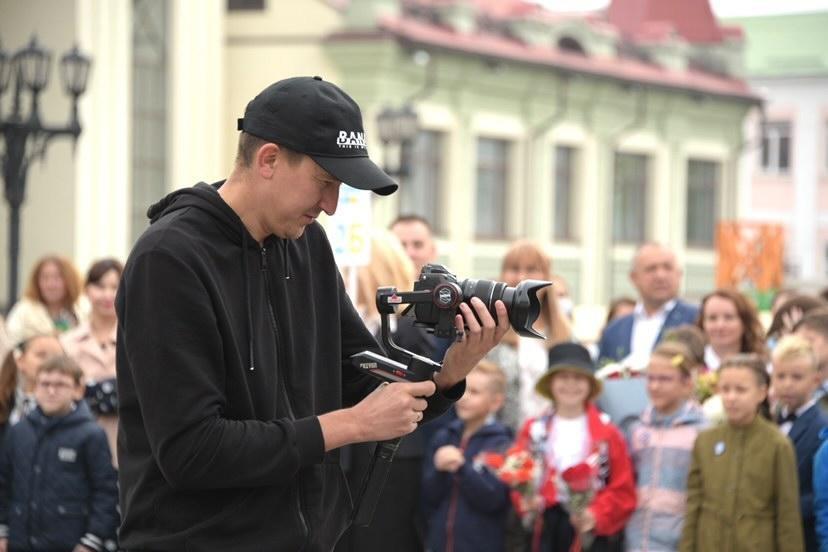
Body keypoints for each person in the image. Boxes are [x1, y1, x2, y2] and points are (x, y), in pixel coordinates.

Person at [115, 75, 510, 551]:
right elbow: (192, 451)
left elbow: (363, 380)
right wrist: (353, 424)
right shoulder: (171, 258)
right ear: (269, 160)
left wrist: (450, 372)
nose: (331, 205)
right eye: (325, 182)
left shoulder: (306, 246)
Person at [509, 342, 636, 551]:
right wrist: (525, 501)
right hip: (544, 528)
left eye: (578, 378)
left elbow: (623, 489)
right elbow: (518, 474)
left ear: (590, 384)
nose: (571, 385)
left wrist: (595, 514)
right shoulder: (533, 429)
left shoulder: (608, 433)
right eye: (563, 377)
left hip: (587, 530)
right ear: (550, 383)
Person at [679, 354, 804, 552]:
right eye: (725, 389)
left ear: (762, 392)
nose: (731, 398)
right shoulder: (705, 441)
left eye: (741, 390)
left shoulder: (777, 444)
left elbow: (787, 515)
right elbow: (693, 504)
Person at [0, 355, 118, 552]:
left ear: (78, 390)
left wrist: (91, 541)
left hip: (69, 544)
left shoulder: (91, 434)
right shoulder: (18, 431)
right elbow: (3, 484)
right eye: (45, 384)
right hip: (20, 543)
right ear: (34, 387)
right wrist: (2, 531)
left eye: (61, 384)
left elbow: (106, 492)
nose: (51, 391)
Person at [423, 360, 512, 552]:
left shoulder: (501, 443)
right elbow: (428, 497)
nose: (464, 398)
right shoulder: (444, 437)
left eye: (475, 392)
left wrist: (462, 468)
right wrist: (439, 471)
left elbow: (493, 499)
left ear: (496, 402)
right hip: (439, 543)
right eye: (463, 390)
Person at [626, 342, 707, 552]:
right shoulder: (636, 428)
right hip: (636, 540)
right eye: (651, 378)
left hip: (681, 542)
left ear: (687, 383)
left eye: (665, 379)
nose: (655, 386)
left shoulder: (701, 432)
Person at [486, 240, 572, 434]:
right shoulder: (488, 330)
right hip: (501, 439)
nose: (521, 277)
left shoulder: (564, 335)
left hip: (553, 438)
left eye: (532, 270)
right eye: (514, 269)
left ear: (547, 277)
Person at [61, 258, 122, 466]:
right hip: (77, 446)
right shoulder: (68, 341)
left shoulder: (137, 339)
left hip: (125, 447)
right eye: (100, 286)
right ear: (86, 289)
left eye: (115, 287)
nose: (107, 295)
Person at [597, 243, 698, 368]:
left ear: (679, 274)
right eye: (651, 269)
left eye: (667, 268)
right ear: (634, 277)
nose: (660, 276)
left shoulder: (696, 319)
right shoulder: (614, 330)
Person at [771, 335, 828, 552]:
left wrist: (782, 509)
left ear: (815, 380)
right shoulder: (769, 420)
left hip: (803, 535)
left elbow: (819, 490)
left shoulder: (821, 426)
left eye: (797, 377)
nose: (787, 384)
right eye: (780, 376)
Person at [5, 255, 82, 345]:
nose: (51, 285)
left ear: (70, 280)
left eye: (57, 278)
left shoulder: (83, 308)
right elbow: (10, 345)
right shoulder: (23, 310)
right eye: (45, 278)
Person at [0, 333, 64, 435]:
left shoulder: (67, 409)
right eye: (42, 355)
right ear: (20, 361)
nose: (50, 362)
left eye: (58, 357)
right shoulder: (5, 400)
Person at [696, 288, 767, 371]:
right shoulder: (692, 365)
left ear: (745, 322)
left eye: (728, 317)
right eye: (712, 318)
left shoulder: (763, 365)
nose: (720, 326)